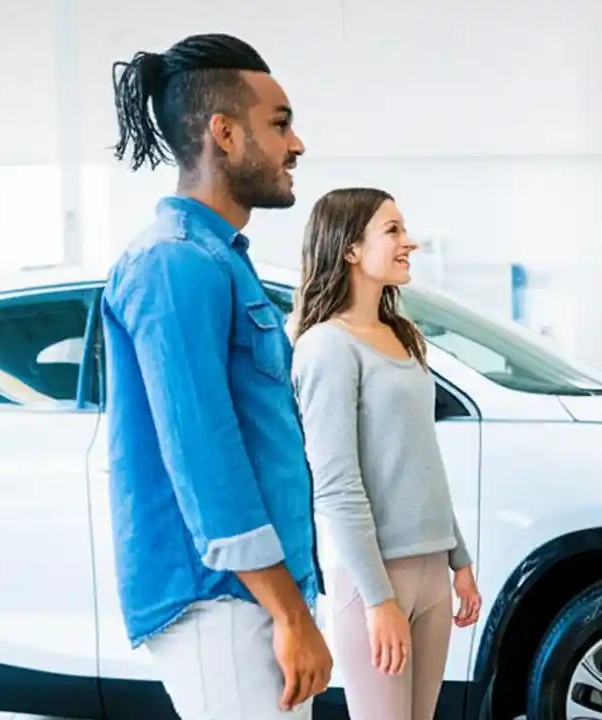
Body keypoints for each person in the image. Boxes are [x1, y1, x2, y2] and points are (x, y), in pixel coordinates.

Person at [102, 34, 332, 719]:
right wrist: (289, 613)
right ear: (224, 133)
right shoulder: (174, 263)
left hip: (258, 597)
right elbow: (206, 460)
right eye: (281, 124)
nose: (297, 146)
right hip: (225, 602)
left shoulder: (220, 259)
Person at [290, 188, 482, 720]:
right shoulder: (327, 346)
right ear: (350, 249)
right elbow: (335, 485)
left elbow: (423, 459)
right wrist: (379, 600)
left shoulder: (404, 337)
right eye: (392, 230)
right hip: (373, 577)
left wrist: (459, 560)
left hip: (431, 571)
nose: (409, 242)